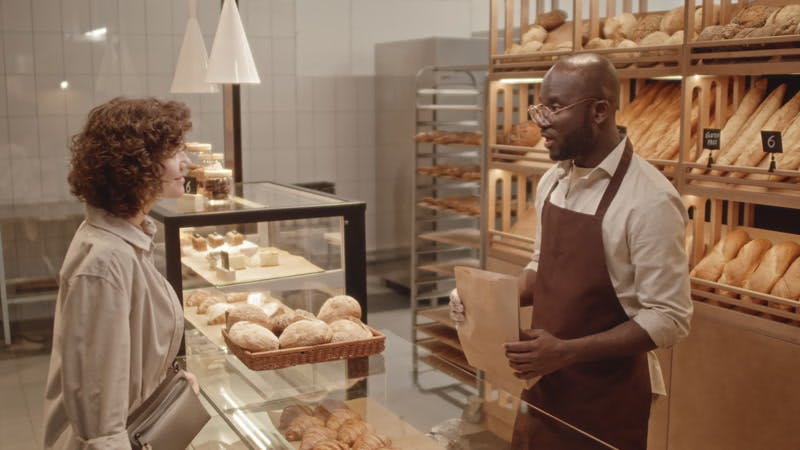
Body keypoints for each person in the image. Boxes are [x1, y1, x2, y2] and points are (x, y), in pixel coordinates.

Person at [450, 54, 692, 450]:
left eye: (555, 107)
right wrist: (483, 299)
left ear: (599, 111)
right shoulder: (553, 181)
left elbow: (669, 318)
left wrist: (566, 352)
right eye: (540, 108)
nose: (541, 121)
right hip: (544, 385)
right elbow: (541, 268)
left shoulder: (650, 200)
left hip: (606, 399)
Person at [43, 97, 199, 449]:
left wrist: (167, 385)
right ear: (137, 164)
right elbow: (100, 422)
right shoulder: (104, 262)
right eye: (174, 152)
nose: (187, 162)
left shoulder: (128, 238)